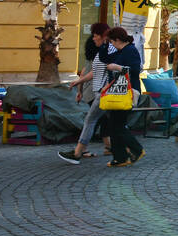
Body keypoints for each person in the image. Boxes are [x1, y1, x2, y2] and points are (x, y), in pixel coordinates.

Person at [58, 22, 113, 163]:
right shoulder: (102, 52)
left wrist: (79, 83)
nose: (93, 38)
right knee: (106, 121)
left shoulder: (106, 51)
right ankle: (118, 149)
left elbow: (95, 72)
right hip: (100, 92)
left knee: (93, 120)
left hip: (104, 93)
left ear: (102, 36)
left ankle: (79, 152)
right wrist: (79, 83)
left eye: (95, 36)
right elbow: (91, 72)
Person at [102, 27, 145, 167]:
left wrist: (117, 67)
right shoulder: (121, 51)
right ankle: (120, 157)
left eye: (112, 41)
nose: (112, 44)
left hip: (128, 91)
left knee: (117, 125)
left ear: (118, 40)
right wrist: (104, 45)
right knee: (115, 124)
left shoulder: (130, 50)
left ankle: (135, 150)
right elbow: (105, 58)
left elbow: (135, 69)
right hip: (120, 91)